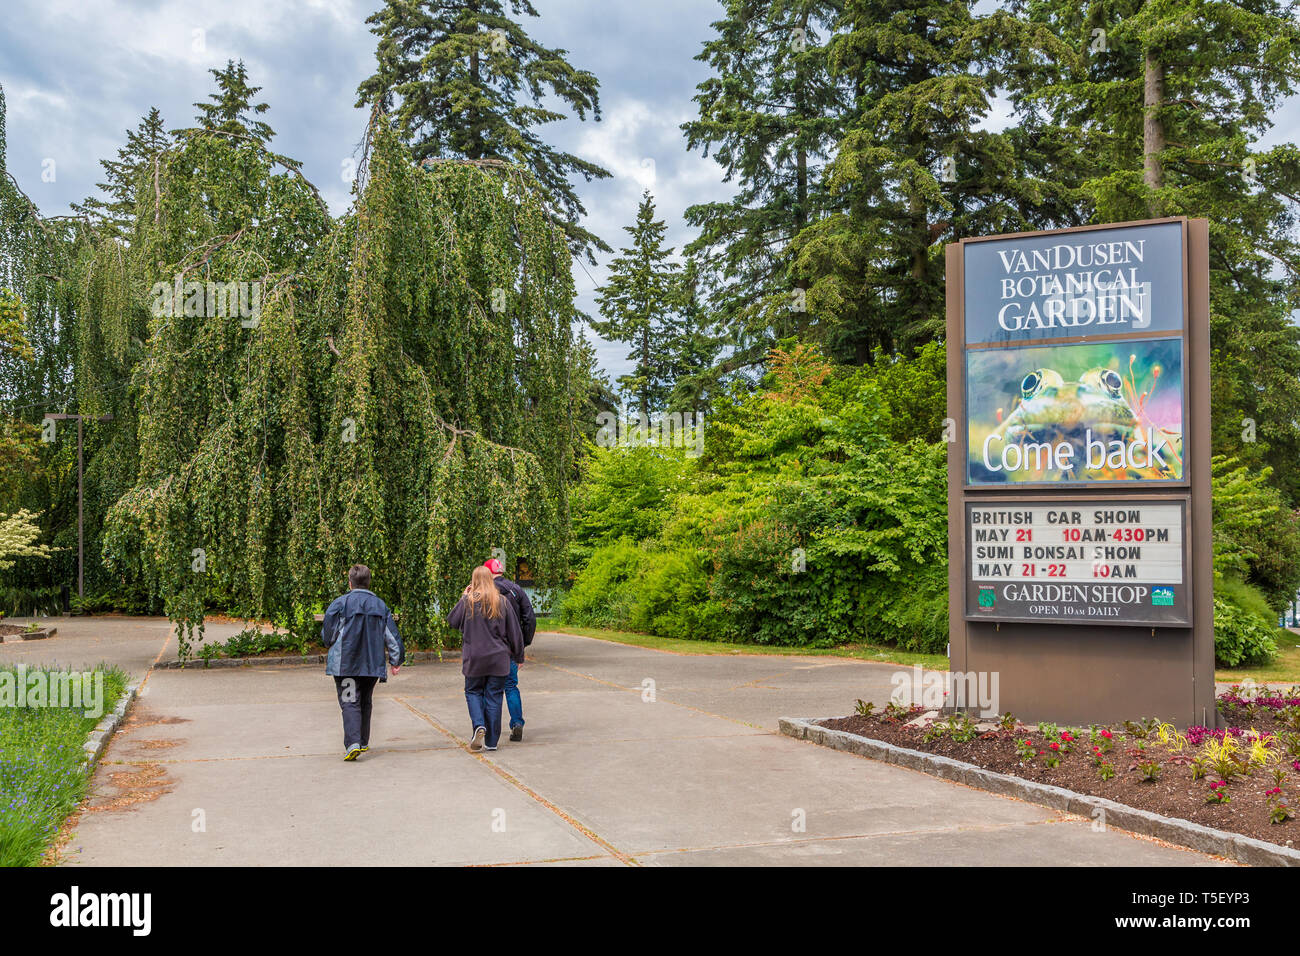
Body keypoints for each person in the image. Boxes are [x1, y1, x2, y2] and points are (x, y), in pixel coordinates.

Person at [321, 564, 405, 761]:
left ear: (350, 582)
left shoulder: (340, 604)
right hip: (372, 665)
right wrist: (396, 660)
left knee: (350, 701)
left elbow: (329, 633)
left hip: (346, 664)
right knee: (365, 701)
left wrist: (327, 642)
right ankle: (363, 741)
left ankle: (353, 743)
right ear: (368, 582)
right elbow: (392, 636)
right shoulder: (380, 606)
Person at [447, 565, 524, 752]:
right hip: (499, 659)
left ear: (473, 582)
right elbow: (515, 633)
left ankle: (479, 725)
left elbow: (452, 621)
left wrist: (463, 597)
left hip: (474, 659)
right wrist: (519, 655)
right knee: (494, 697)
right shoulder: (502, 602)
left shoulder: (468, 603)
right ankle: (491, 741)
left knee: (473, 692)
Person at [485, 558, 536, 741]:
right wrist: (524, 643)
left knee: (489, 689)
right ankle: (517, 722)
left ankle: (488, 729)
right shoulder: (516, 590)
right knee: (510, 686)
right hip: (512, 647)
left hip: (489, 647)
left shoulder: (485, 591)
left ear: (488, 573)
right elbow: (529, 617)